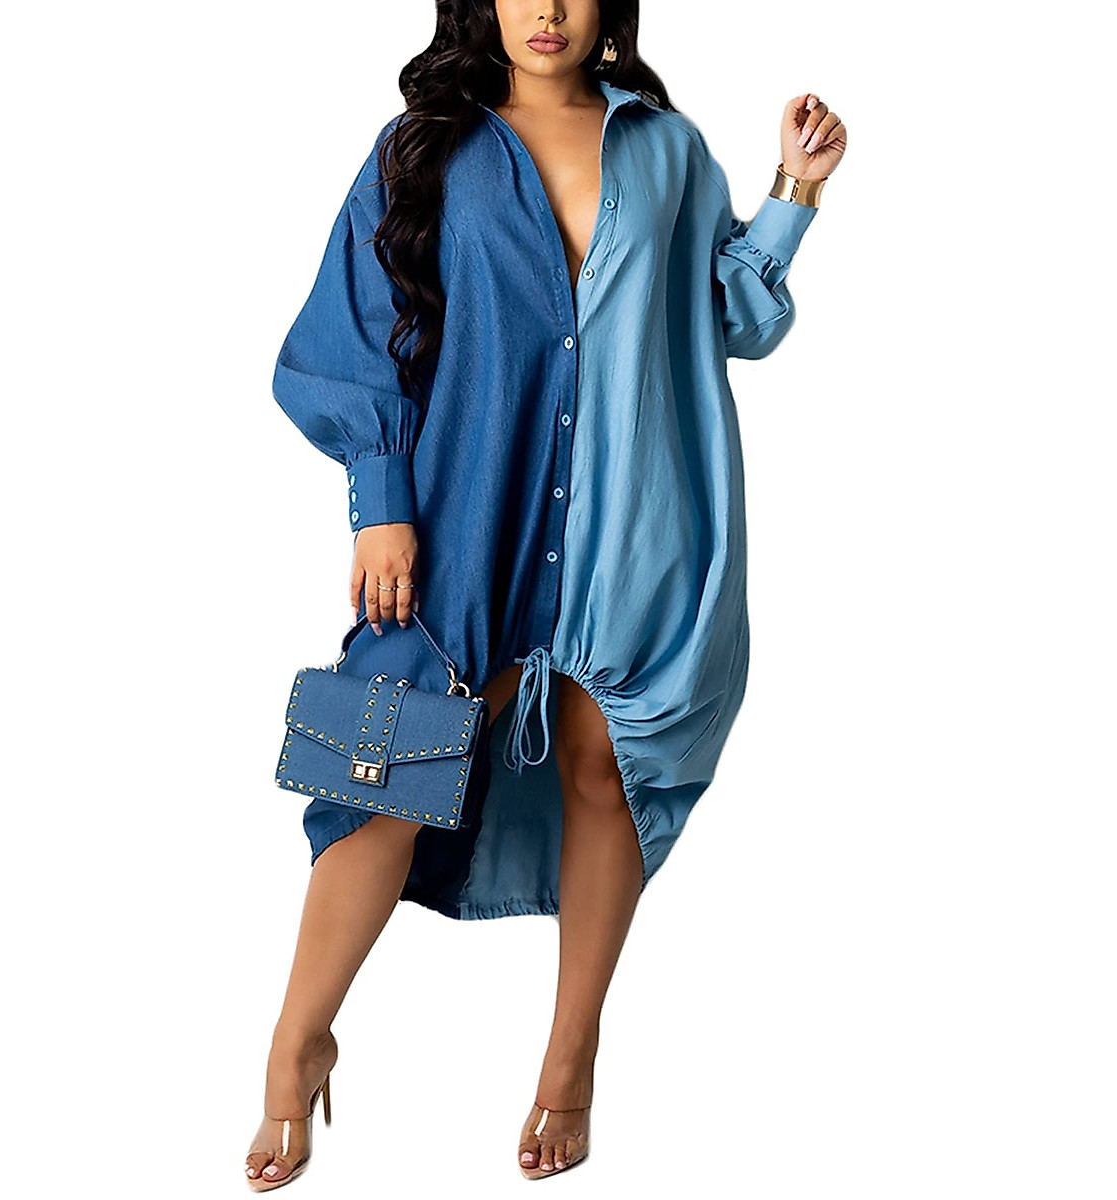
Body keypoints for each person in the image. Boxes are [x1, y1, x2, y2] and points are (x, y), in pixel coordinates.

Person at [246, 0, 846, 1188]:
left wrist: (795, 189)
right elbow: (355, 328)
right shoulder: (426, 147)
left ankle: (571, 1063)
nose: (550, 9)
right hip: (467, 506)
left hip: (635, 513)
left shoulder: (667, 149)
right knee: (386, 771)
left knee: (600, 767)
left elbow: (725, 316)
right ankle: (296, 1043)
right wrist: (380, 499)